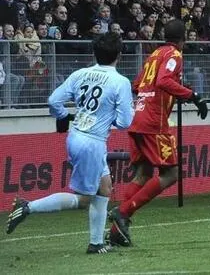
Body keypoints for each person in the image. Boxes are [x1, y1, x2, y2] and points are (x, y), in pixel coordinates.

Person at [6, 33, 134, 254]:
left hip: (76, 136)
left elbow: (53, 100)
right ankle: (27, 207)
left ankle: (96, 244)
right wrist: (111, 115)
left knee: (105, 188)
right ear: (119, 56)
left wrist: (65, 116)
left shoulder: (80, 73)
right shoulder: (120, 81)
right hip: (92, 142)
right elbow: (125, 122)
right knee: (84, 199)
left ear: (95, 53)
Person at [108, 20, 208, 246]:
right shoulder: (174, 54)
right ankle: (123, 212)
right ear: (183, 39)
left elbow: (137, 85)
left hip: (139, 117)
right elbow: (163, 81)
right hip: (155, 122)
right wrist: (193, 96)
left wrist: (175, 91)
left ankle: (116, 231)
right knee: (171, 174)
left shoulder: (154, 54)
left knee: (142, 174)